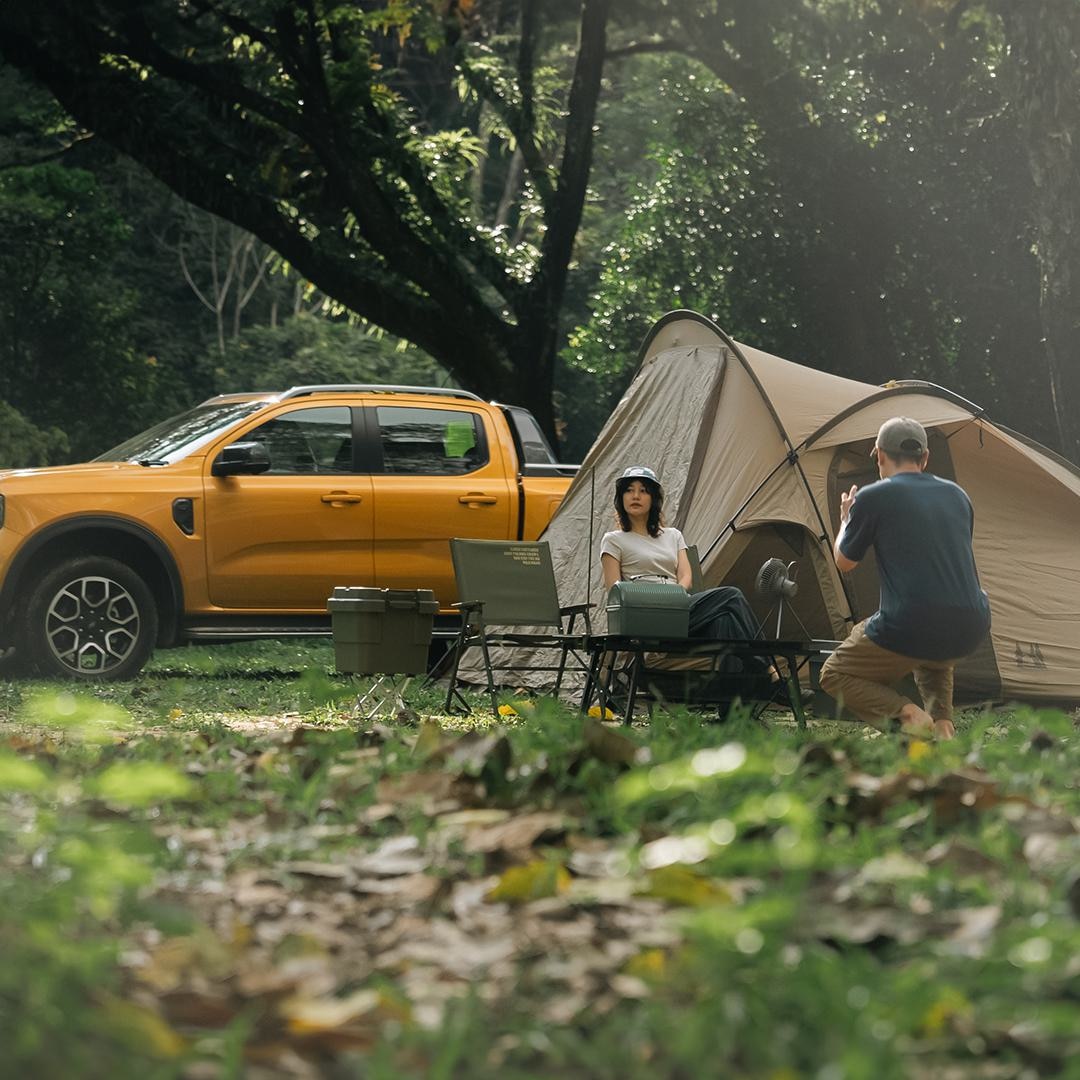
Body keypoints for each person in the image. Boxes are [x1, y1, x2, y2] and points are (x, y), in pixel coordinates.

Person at [820, 417, 991, 740]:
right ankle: (943, 727)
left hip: (910, 622)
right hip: (972, 621)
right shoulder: (958, 496)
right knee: (933, 653)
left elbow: (844, 562)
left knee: (834, 674)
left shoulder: (873, 497)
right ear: (925, 458)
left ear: (879, 455)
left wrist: (845, 520)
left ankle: (908, 715)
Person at [599, 464, 766, 655]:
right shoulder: (614, 540)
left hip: (679, 606)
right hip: (644, 611)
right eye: (629, 491)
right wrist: (652, 599)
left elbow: (686, 577)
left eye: (643, 491)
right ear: (621, 498)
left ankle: (733, 683)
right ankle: (768, 664)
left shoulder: (673, 535)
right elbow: (614, 588)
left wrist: (672, 595)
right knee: (732, 595)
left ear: (653, 499)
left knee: (725, 622)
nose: (635, 496)